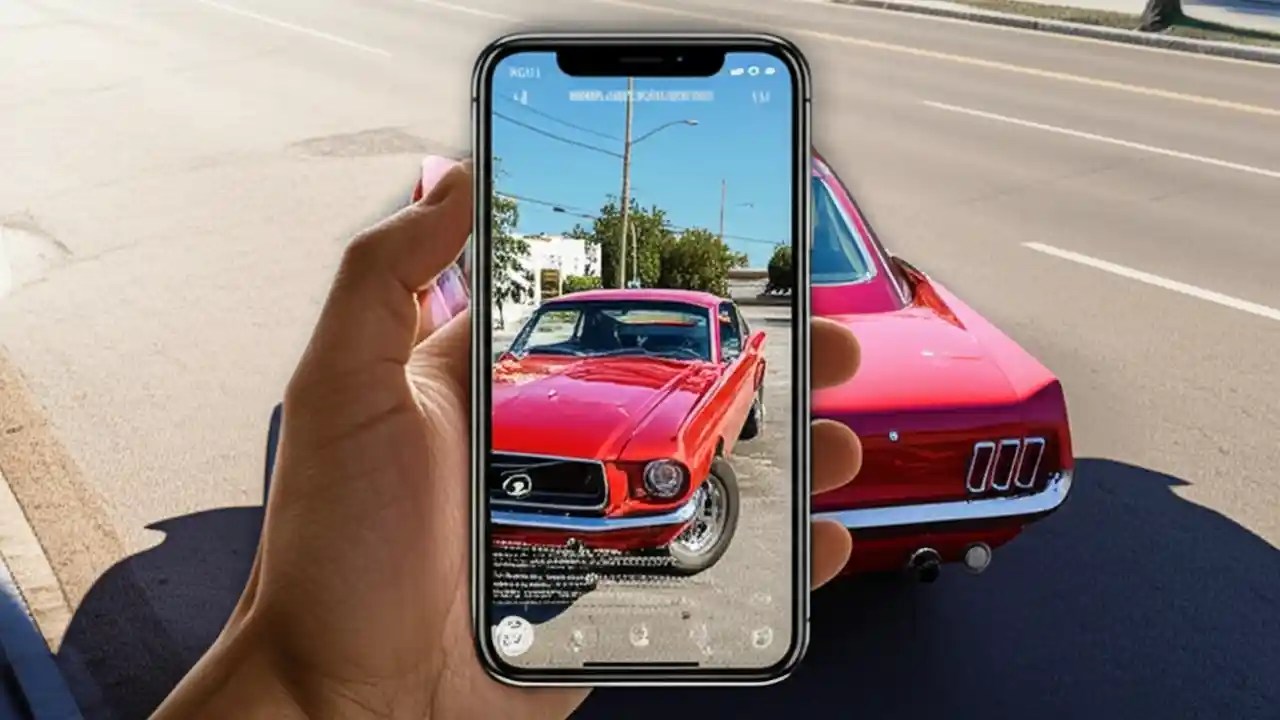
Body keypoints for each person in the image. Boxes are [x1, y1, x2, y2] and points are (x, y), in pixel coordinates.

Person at [150, 163, 865, 720]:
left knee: (667, 473)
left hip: (635, 466)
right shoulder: (501, 373)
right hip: (558, 494)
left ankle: (653, 501)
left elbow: (674, 462)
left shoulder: (718, 361)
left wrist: (308, 698)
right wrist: (313, 691)